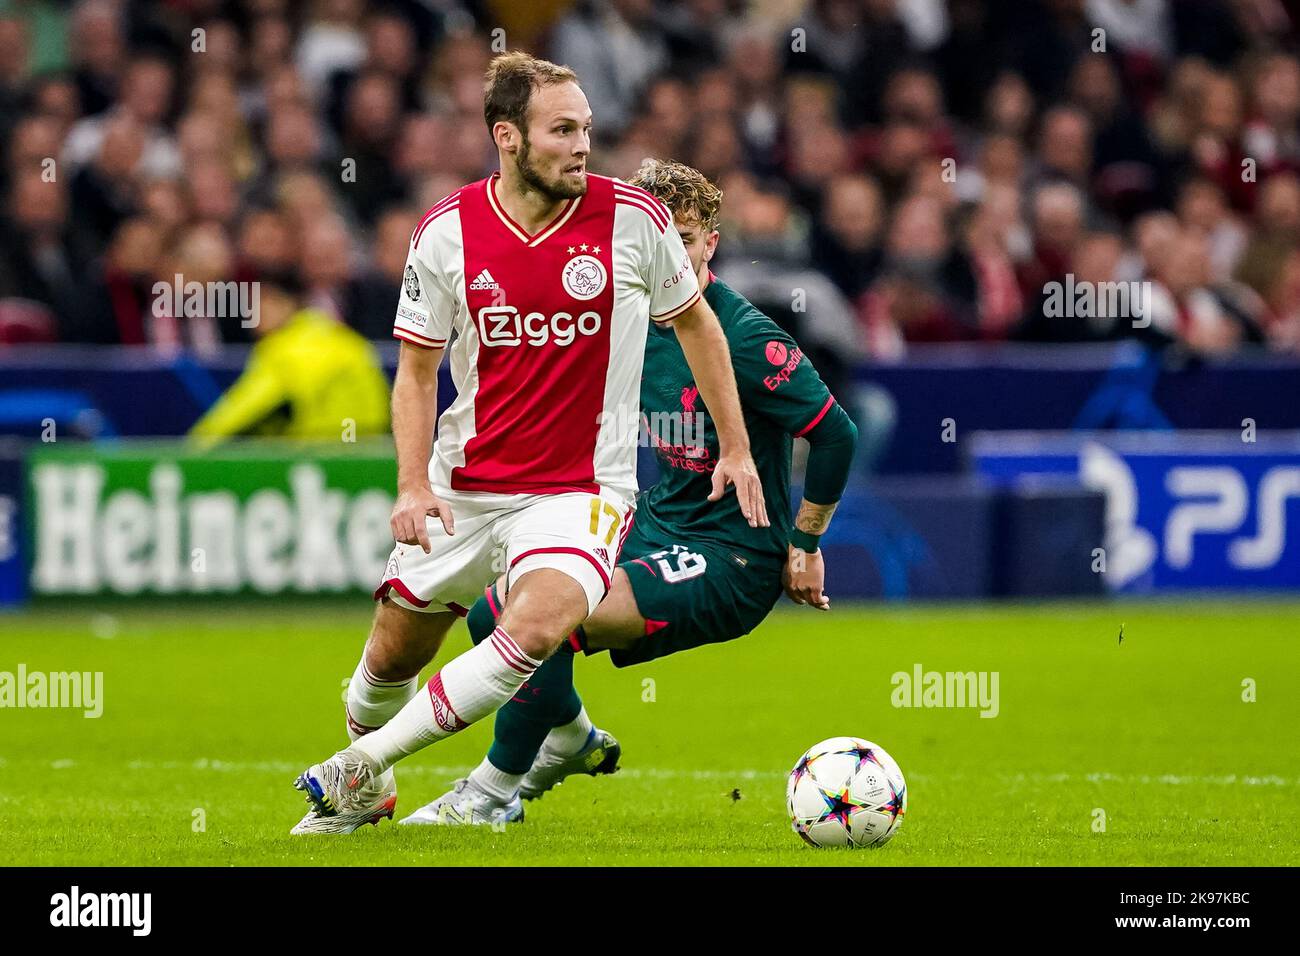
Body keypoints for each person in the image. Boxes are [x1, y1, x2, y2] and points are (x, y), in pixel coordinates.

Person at [290, 54, 766, 834]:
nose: (583, 144)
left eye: (587, 127)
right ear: (507, 137)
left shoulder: (631, 220)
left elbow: (698, 325)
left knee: (536, 625)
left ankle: (361, 766)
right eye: (563, 129)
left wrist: (736, 447)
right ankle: (369, 784)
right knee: (388, 659)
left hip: (579, 491)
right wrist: (412, 486)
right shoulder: (447, 233)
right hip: (464, 486)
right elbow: (416, 372)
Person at [402, 159, 858, 826]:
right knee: (490, 614)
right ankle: (570, 738)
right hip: (648, 525)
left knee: (544, 627)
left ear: (711, 245)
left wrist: (806, 544)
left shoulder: (745, 338)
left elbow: (836, 433)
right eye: (657, 235)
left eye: (687, 234)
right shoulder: (624, 322)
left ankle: (492, 795)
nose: (669, 249)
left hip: (730, 554)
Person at [188, 276, 390, 446]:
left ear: (289, 303)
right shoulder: (348, 339)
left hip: (319, 455)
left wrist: (194, 447)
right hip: (370, 451)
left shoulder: (284, 349)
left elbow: (243, 409)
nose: (253, 313)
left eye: (263, 303)